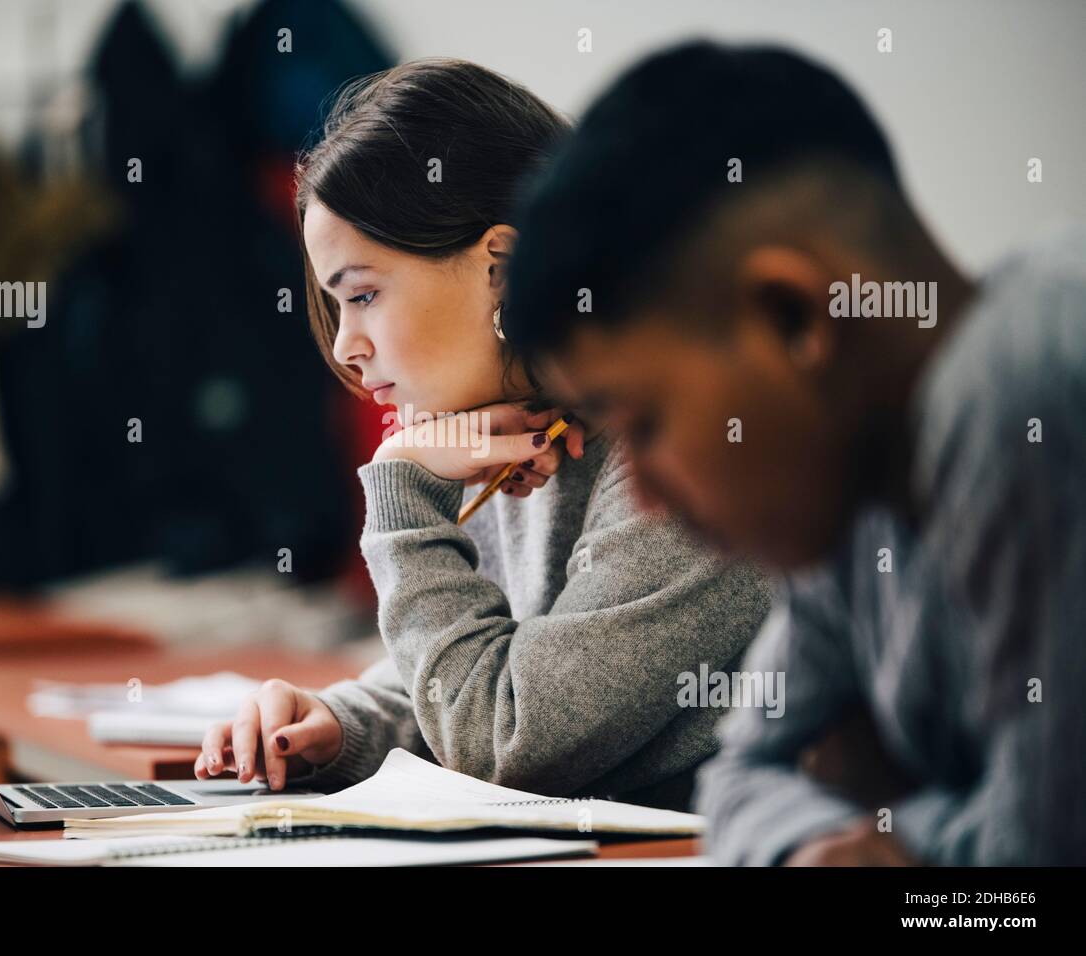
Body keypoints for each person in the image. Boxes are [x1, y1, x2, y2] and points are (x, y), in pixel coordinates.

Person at [506, 41, 1086, 864]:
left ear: (793, 319)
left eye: (643, 423)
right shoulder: (849, 505)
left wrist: (903, 843)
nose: (646, 498)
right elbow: (741, 775)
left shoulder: (1020, 377)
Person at [193, 58, 769, 810]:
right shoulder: (523, 425)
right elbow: (483, 669)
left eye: (363, 294)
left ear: (501, 267)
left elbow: (505, 736)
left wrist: (403, 488)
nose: (345, 346)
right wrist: (343, 721)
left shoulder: (689, 454)